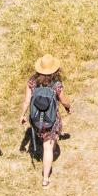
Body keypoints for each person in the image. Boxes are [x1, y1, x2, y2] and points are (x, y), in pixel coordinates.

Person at [21, 55, 71, 188]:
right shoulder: (57, 84)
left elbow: (26, 101)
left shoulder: (32, 81)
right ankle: (45, 179)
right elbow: (64, 100)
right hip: (51, 121)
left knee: (44, 140)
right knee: (48, 148)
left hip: (36, 120)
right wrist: (68, 107)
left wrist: (23, 115)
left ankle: (43, 146)